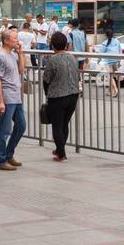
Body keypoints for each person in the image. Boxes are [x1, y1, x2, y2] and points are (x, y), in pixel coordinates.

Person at [42, 31, 80, 162]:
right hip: (73, 96)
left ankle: (62, 154)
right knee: (65, 124)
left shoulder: (53, 60)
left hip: (57, 97)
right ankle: (59, 149)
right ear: (66, 45)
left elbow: (46, 80)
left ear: (52, 45)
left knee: (57, 126)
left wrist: (47, 94)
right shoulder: (73, 58)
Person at [0, 28, 26, 170]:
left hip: (16, 96)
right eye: (14, 38)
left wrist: (20, 53)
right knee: (4, 130)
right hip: (7, 97)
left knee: (21, 126)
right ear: (6, 40)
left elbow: (21, 70)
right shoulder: (0, 56)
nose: (17, 40)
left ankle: (8, 154)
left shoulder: (12, 54)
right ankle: (1, 160)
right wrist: (0, 101)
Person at [98, 25, 124, 97]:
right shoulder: (117, 41)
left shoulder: (105, 43)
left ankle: (115, 90)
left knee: (110, 76)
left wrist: (98, 60)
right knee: (113, 76)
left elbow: (101, 53)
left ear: (106, 35)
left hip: (108, 61)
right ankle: (109, 91)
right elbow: (120, 51)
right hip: (116, 60)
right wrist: (119, 60)